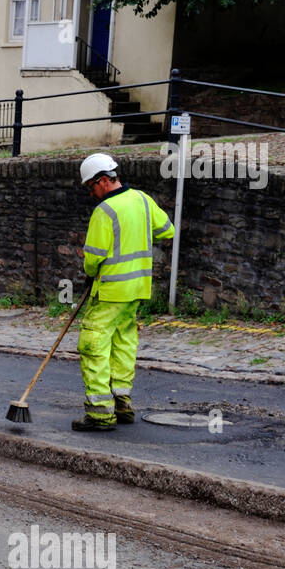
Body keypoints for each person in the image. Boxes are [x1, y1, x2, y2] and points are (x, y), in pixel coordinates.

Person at [73, 153, 174, 432]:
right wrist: (136, 236)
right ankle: (122, 404)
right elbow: (168, 230)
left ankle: (99, 414)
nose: (91, 193)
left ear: (104, 180)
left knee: (93, 345)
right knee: (123, 343)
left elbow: (92, 260)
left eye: (91, 187)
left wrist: (91, 274)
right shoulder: (142, 200)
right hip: (137, 289)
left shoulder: (104, 212)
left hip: (111, 291)